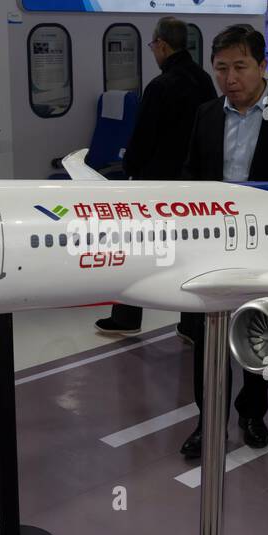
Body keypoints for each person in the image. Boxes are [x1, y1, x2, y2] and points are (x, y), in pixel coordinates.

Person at [180, 24, 268, 459]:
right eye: (221, 69)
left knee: (262, 334)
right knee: (207, 337)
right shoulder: (204, 115)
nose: (230, 78)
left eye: (240, 67)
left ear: (263, 66)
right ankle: (209, 420)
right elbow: (190, 182)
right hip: (211, 248)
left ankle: (254, 412)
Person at [95, 17, 215, 341]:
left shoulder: (160, 86)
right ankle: (192, 325)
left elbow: (142, 138)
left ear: (162, 45)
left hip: (158, 185)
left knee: (139, 253)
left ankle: (127, 317)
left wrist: (129, 168)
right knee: (194, 256)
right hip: (195, 186)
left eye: (152, 45)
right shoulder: (204, 80)